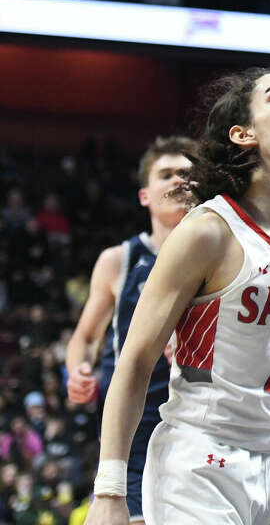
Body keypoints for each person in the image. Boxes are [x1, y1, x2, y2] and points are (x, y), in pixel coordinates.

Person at [84, 68, 270, 525]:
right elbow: (136, 360)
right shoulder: (209, 232)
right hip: (199, 462)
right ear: (243, 134)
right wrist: (109, 490)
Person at [65, 136, 198, 523]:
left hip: (198, 421)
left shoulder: (223, 254)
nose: (178, 181)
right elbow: (87, 338)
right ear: (144, 195)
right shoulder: (119, 260)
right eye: (167, 174)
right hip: (135, 428)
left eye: (187, 173)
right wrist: (77, 369)